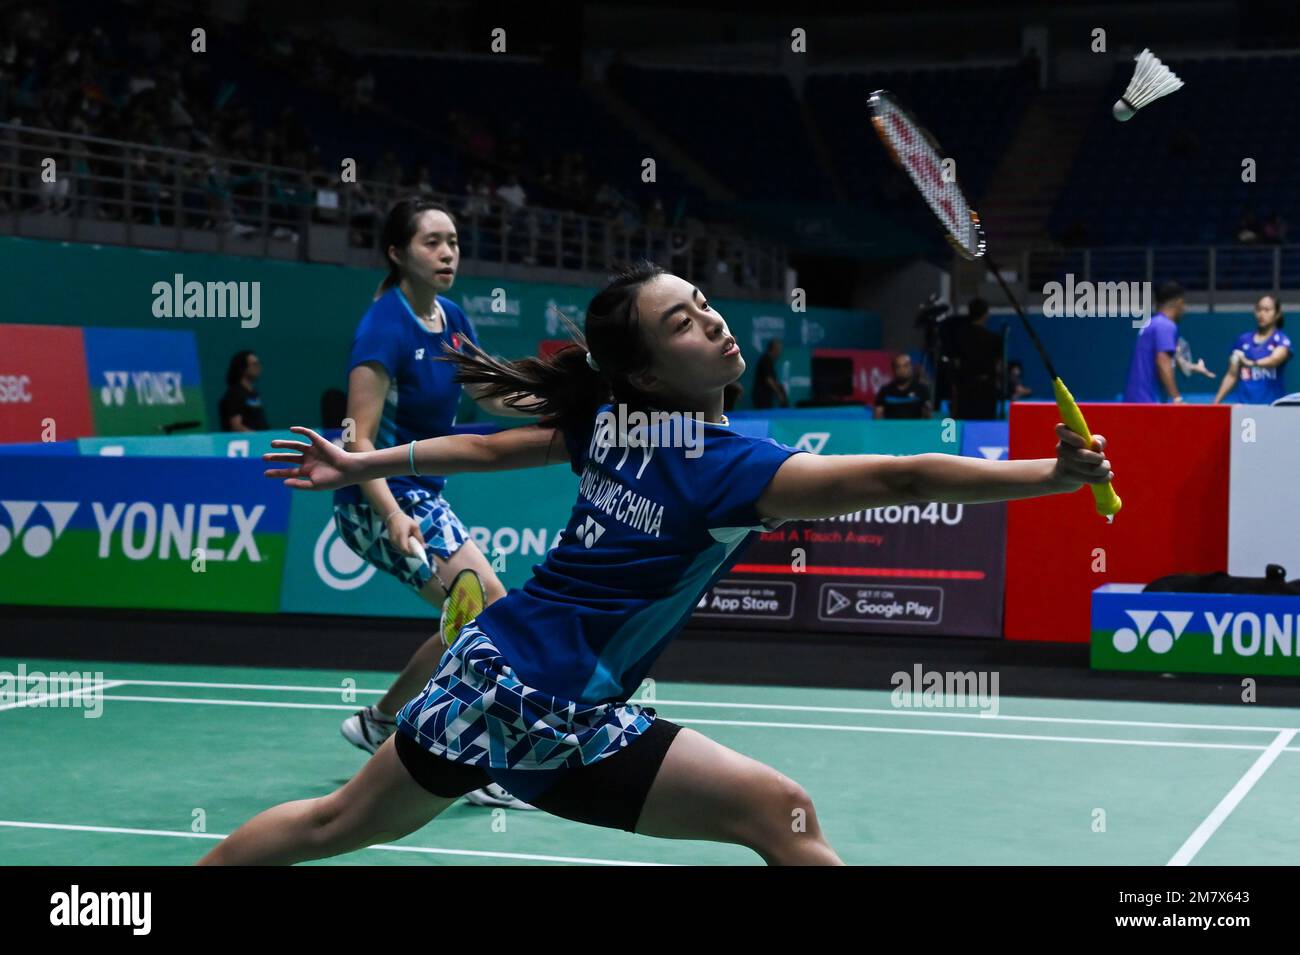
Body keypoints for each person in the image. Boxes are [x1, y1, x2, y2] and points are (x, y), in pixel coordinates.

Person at [200, 263, 1114, 866]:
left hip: (559, 700)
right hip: (515, 691)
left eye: (705, 305)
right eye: (682, 323)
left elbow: (492, 452)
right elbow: (901, 474)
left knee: (777, 810)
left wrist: (364, 463)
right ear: (643, 370)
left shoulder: (621, 421)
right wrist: (1051, 474)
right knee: (331, 825)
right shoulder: (730, 469)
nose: (712, 323)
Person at [332, 197, 539, 810]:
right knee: (487, 610)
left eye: (452, 240)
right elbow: (356, 442)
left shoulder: (450, 316)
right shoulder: (381, 329)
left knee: (470, 620)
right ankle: (474, 762)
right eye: (432, 242)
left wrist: (565, 414)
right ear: (397, 254)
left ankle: (381, 722)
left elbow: (492, 398)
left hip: (419, 490)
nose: (448, 252)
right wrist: (393, 515)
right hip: (376, 496)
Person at [1213, 294, 1292, 405]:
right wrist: (1216, 402)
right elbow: (1232, 375)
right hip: (1244, 407)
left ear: (1277, 314)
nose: (1261, 314)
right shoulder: (1243, 340)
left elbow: (1274, 360)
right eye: (1259, 309)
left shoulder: (1281, 340)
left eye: (1267, 310)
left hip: (1272, 407)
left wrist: (1249, 363)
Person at [1123, 281, 1187, 403]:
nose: (1185, 309)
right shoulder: (1166, 326)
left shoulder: (1151, 323)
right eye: (1184, 304)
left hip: (1134, 400)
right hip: (1149, 402)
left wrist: (1191, 367)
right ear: (1179, 302)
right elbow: (1163, 361)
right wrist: (1177, 399)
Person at [951, 298, 1002, 419]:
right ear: (985, 314)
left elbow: (955, 363)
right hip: (986, 391)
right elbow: (998, 365)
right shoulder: (994, 339)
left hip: (965, 390)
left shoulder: (958, 336)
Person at [219, 351, 268, 431]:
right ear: (242, 367)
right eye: (254, 364)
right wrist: (258, 438)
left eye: (259, 364)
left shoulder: (253, 393)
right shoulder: (234, 394)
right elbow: (237, 427)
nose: (258, 367)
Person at [873, 353, 932, 419]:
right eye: (898, 367)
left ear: (911, 367)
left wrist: (927, 410)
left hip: (914, 429)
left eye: (905, 366)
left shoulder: (922, 389)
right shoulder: (885, 391)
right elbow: (877, 416)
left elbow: (927, 416)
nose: (902, 370)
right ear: (893, 369)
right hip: (890, 428)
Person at [751, 338, 787, 409]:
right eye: (778, 349)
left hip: (765, 396)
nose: (780, 352)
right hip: (761, 397)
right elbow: (769, 380)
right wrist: (779, 393)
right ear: (773, 349)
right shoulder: (766, 360)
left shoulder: (769, 360)